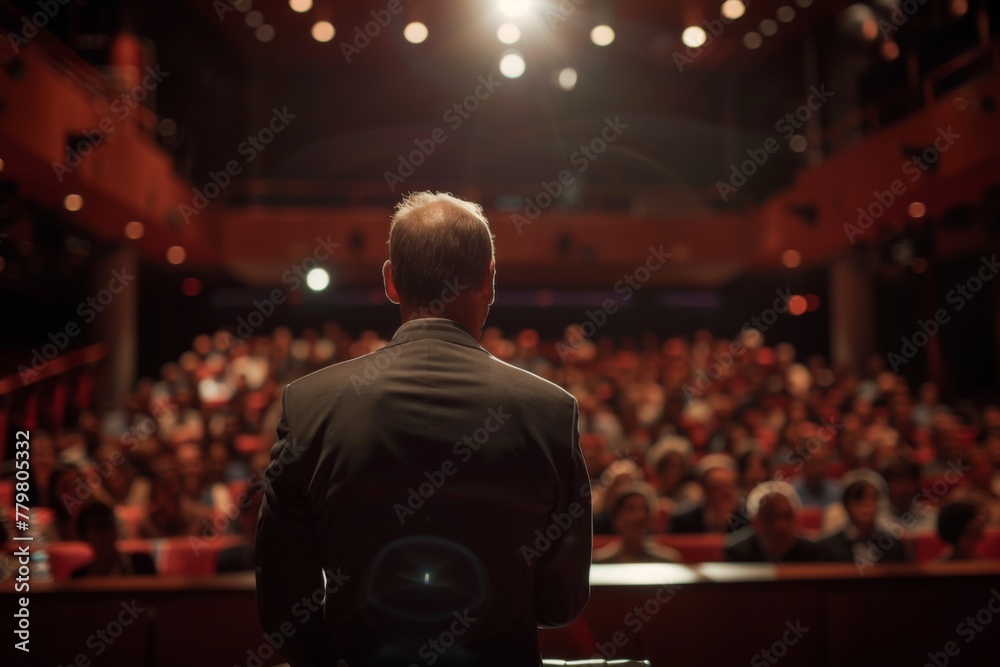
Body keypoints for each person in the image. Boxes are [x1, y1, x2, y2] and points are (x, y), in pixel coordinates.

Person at [255, 192, 592, 667]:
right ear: (490, 279)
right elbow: (560, 602)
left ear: (391, 281)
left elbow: (282, 601)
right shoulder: (550, 411)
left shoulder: (310, 405)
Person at [818, 479, 909, 564]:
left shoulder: (893, 545)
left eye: (873, 498)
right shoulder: (828, 547)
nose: (868, 503)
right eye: (859, 498)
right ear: (846, 505)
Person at [725, 481, 820, 563]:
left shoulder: (814, 553)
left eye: (787, 516)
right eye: (771, 518)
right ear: (756, 522)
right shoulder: (736, 554)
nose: (781, 526)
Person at [593, 483, 681, 564]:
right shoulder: (601, 562)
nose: (639, 516)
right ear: (616, 519)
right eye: (631, 509)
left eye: (644, 509)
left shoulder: (667, 561)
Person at [71, 503, 156, 578]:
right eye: (100, 527)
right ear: (84, 535)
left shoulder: (141, 564)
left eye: (110, 525)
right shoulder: (79, 577)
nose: (108, 532)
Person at [669, 456, 740, 534]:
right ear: (705, 489)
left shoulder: (745, 521)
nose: (726, 493)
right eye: (719, 487)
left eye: (730, 487)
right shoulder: (683, 521)